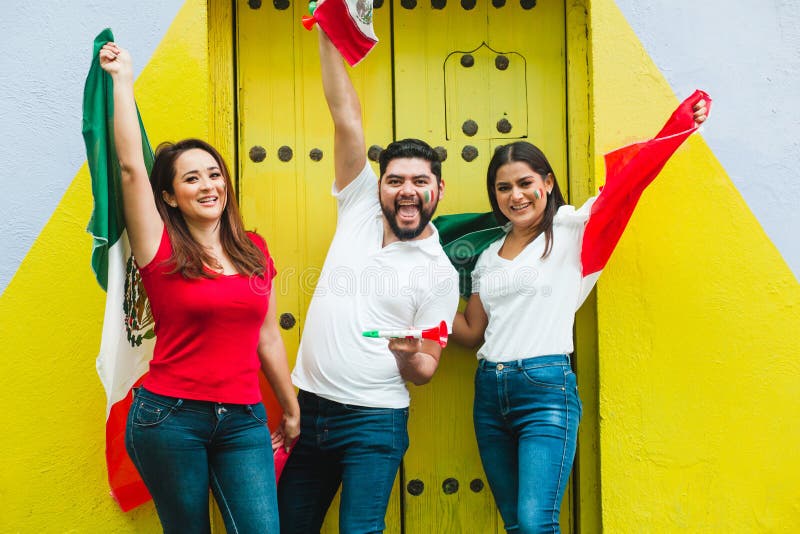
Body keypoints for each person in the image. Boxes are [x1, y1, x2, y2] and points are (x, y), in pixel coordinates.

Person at [451, 99, 709, 532]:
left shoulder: (571, 229)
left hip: (544, 390)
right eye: (503, 187)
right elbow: (472, 331)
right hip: (488, 394)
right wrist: (420, 304)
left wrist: (677, 127)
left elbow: (629, 184)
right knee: (516, 524)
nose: (515, 195)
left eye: (525, 183)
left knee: (536, 523)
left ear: (547, 183)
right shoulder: (488, 257)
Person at [98, 42, 300, 533]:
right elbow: (129, 168)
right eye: (191, 179)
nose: (208, 185)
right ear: (169, 195)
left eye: (214, 174)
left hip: (245, 420)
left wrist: (292, 410)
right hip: (169, 419)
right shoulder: (158, 246)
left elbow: (267, 337)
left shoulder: (254, 248)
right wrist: (121, 80)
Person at [276, 29, 460, 533]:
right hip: (309, 413)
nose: (407, 191)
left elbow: (426, 367)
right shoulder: (357, 206)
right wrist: (328, 30)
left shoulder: (440, 274)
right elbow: (346, 116)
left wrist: (408, 354)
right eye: (395, 180)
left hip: (374, 423)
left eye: (420, 182)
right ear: (378, 184)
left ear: (438, 189)